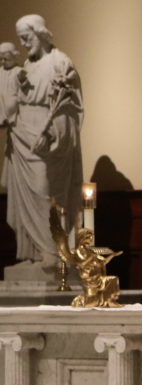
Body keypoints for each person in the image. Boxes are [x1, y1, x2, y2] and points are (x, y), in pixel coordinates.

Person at [5, 14, 84, 265]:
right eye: (20, 40)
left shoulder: (59, 62)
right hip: (21, 134)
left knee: (44, 190)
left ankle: (53, 248)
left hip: (47, 138)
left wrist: (53, 134)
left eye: (26, 38)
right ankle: (35, 252)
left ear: (39, 33)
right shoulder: (25, 66)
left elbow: (70, 106)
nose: (24, 44)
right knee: (27, 193)